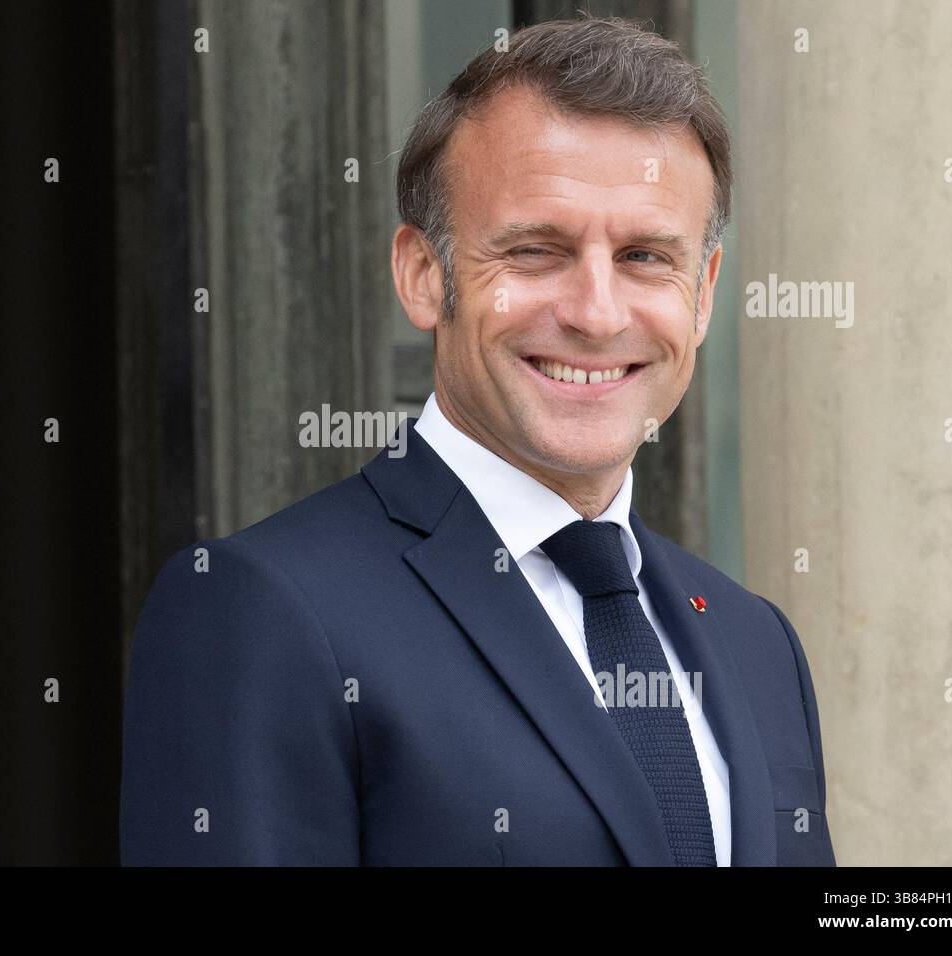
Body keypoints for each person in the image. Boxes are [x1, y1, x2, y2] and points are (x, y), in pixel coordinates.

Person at [120, 17, 836, 866]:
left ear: (705, 291)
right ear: (424, 276)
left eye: (646, 256)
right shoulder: (261, 612)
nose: (597, 313)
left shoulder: (758, 645)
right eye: (536, 251)